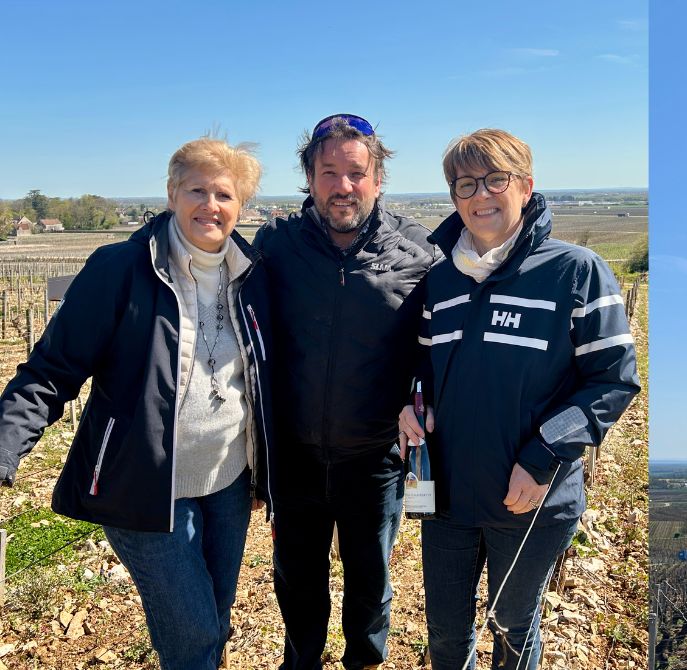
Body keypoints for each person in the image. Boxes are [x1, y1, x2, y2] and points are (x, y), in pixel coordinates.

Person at [0, 138, 273, 670]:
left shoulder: (252, 275)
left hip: (229, 483)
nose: (210, 205)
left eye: (224, 194)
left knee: (215, 617)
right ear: (172, 194)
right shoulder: (120, 269)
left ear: (241, 205)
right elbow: (52, 370)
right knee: (194, 634)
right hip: (142, 486)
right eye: (197, 189)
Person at [398, 128, 640, 669]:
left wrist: (539, 460)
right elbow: (419, 369)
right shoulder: (441, 281)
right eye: (466, 184)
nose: (481, 195)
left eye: (495, 180)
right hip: (448, 497)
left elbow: (613, 380)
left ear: (526, 187)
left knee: (511, 626)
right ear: (453, 196)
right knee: (444, 633)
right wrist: (413, 405)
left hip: (528, 498)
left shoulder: (574, 271)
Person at [253, 114, 438, 670]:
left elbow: (435, 349)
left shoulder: (417, 254)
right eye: (328, 172)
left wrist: (420, 397)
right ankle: (300, 662)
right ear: (309, 178)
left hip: (375, 457)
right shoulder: (275, 248)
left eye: (355, 173)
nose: (343, 186)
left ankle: (365, 661)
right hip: (296, 458)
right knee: (297, 582)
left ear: (378, 179)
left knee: (370, 583)